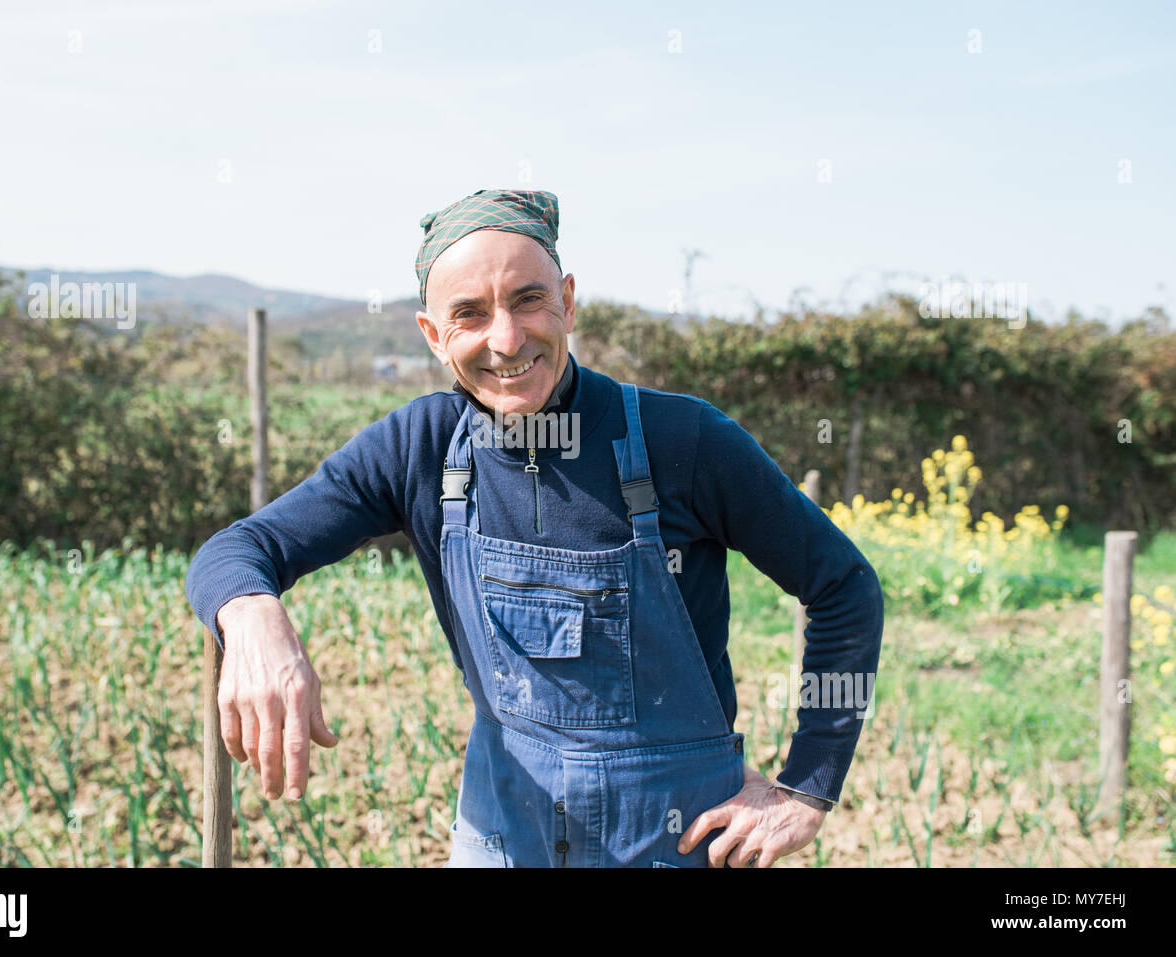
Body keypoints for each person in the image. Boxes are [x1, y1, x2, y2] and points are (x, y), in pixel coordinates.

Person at [184, 187, 884, 868]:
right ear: (432, 335)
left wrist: (806, 784)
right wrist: (251, 613)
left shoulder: (681, 438)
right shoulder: (419, 449)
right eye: (469, 314)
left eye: (528, 299)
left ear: (568, 301)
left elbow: (843, 584)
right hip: (500, 834)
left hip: (673, 843)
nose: (507, 339)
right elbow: (239, 548)